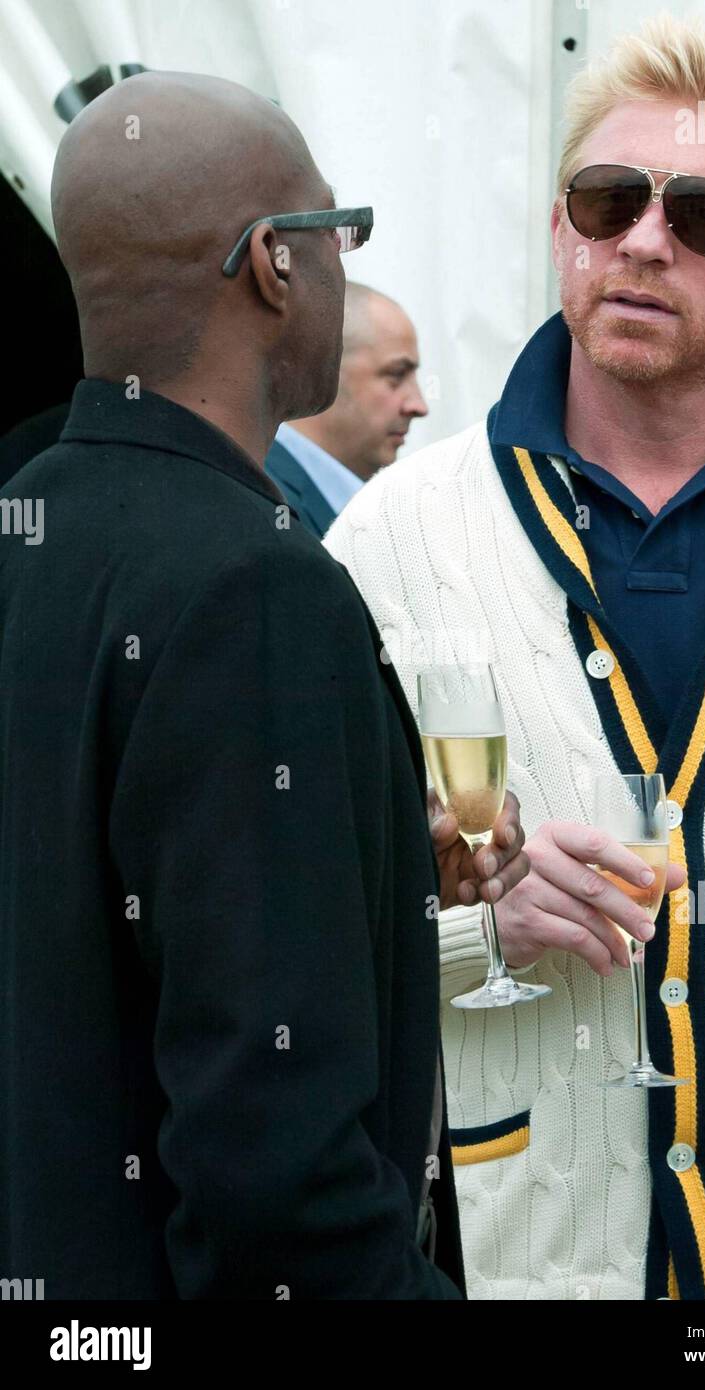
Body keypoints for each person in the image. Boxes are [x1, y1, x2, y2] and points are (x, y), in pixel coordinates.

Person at [326, 12, 705, 1301]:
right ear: (562, 225)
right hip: (531, 1255)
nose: (641, 239)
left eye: (702, 218)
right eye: (608, 199)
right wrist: (474, 926)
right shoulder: (396, 537)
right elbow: (301, 919)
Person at [0, 70, 530, 1300]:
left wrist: (374, 864)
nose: (342, 265)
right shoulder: (256, 586)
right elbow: (274, 1175)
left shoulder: (27, 532)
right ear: (274, 266)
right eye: (338, 232)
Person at [266, 282, 428, 537]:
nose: (419, 406)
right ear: (323, 368)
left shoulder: (278, 494)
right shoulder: (269, 506)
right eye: (397, 375)